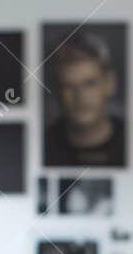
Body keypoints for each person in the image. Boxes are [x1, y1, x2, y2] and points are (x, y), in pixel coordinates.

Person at [44, 33, 126, 167]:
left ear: (110, 83)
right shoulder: (43, 145)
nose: (80, 96)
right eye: (68, 86)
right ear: (57, 90)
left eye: (89, 83)